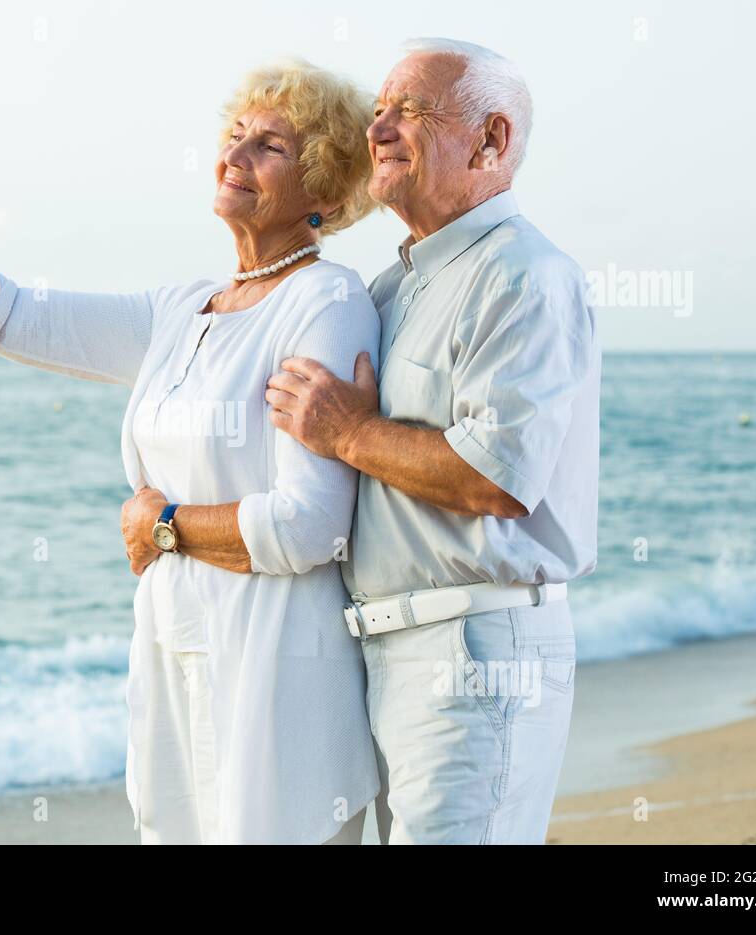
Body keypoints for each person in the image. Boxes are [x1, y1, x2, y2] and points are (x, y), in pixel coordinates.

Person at [0, 58, 383, 844]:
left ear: (323, 191)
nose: (236, 155)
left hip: (276, 677)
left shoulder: (326, 301)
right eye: (234, 135)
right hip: (176, 664)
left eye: (271, 147)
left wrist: (164, 524)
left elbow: (311, 523)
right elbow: (8, 314)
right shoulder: (183, 309)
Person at [265, 38, 601, 844]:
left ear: (492, 140)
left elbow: (498, 475)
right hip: (385, 653)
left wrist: (349, 431)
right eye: (378, 110)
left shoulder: (525, 274)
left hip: (476, 647)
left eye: (408, 111)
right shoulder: (387, 289)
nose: (377, 129)